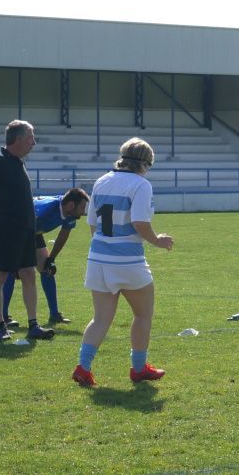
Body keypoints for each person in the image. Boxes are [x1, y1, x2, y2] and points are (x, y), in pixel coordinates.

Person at [71, 139, 174, 387]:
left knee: (101, 318)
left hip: (98, 259)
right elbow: (140, 222)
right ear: (146, 163)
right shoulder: (141, 184)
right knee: (143, 315)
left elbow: (92, 225)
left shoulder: (102, 181)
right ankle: (138, 368)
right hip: (128, 260)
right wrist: (157, 241)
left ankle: (83, 367)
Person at [0, 120, 54, 342]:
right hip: (5, 231)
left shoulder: (18, 162)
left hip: (25, 231)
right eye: (31, 137)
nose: (34, 142)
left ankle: (33, 325)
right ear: (18, 139)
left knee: (29, 274)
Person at [0, 189, 89, 325]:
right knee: (11, 272)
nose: (83, 212)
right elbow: (21, 227)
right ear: (71, 205)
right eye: (82, 208)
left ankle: (54, 314)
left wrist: (51, 259)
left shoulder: (69, 213)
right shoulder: (46, 209)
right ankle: (3, 317)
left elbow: (63, 235)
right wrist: (18, 262)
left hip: (33, 232)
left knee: (47, 270)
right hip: (14, 231)